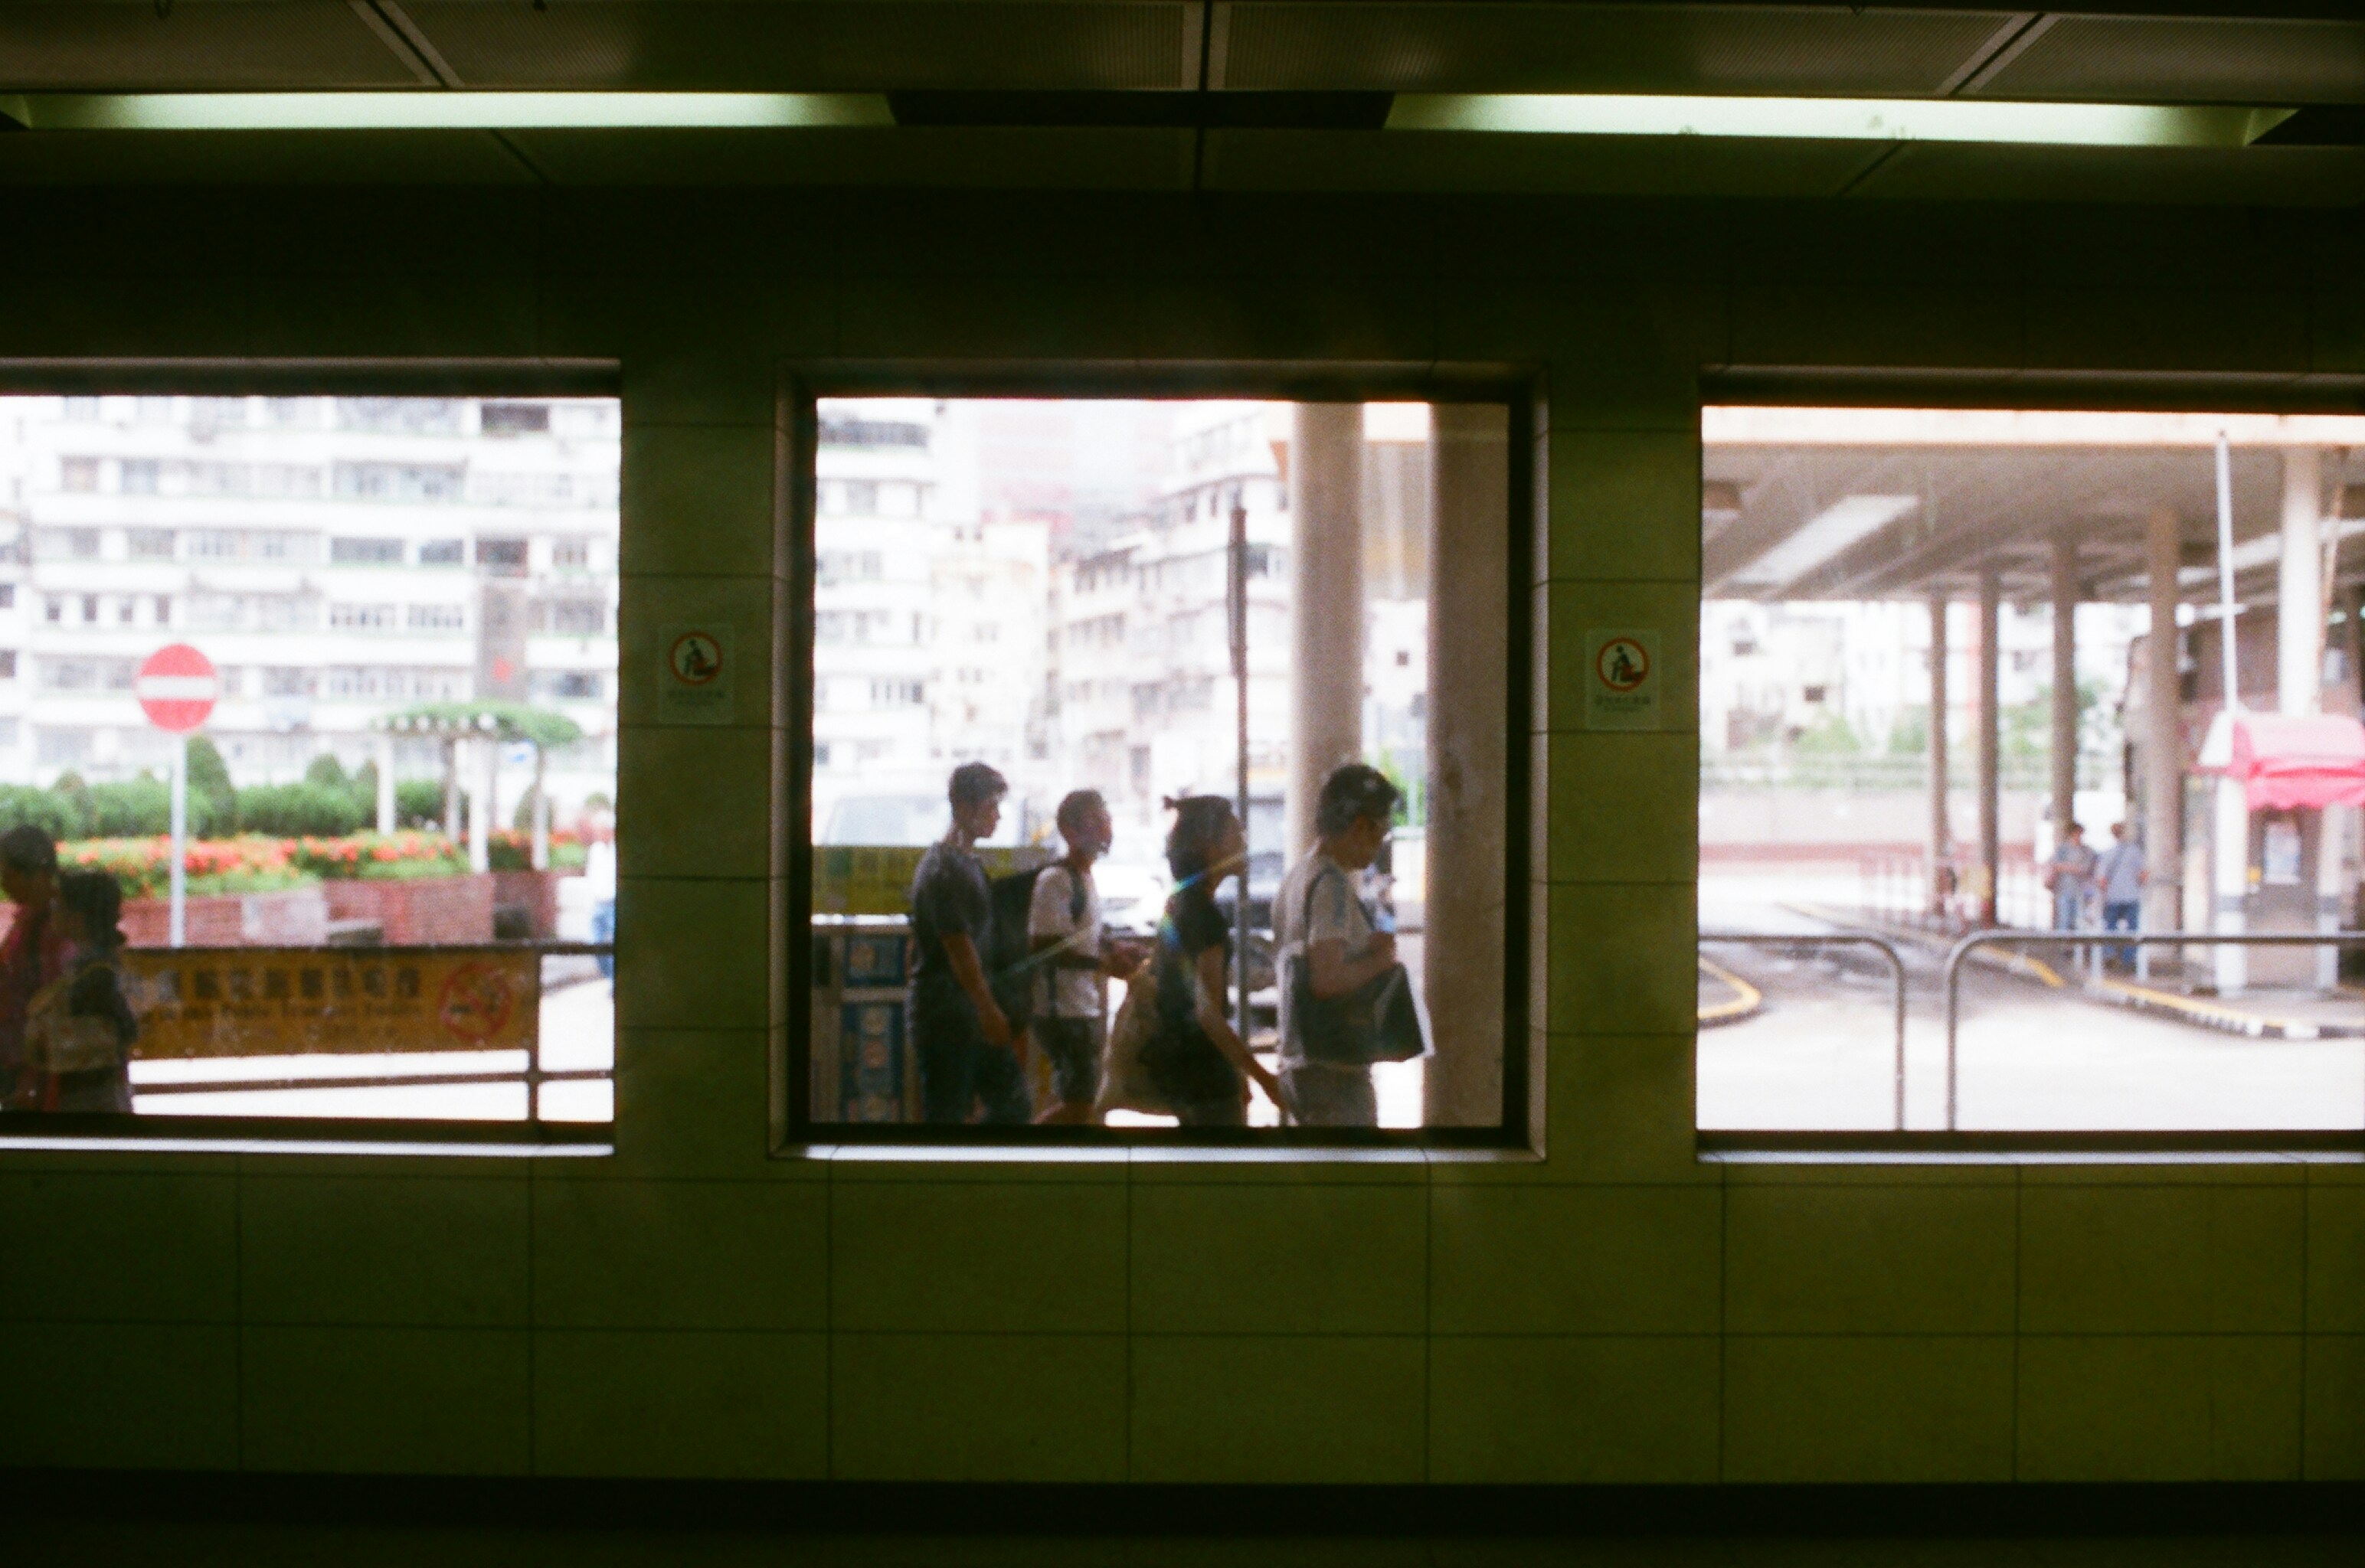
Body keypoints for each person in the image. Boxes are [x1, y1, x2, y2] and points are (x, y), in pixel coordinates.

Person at [1274, 763, 1404, 1128]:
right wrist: (1380, 959)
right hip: (1333, 1074)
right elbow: (1327, 980)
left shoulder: (1297, 877)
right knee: (1354, 1181)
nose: (1380, 845)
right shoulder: (1330, 884)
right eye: (1381, 833)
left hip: (1297, 1064)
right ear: (1361, 826)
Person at [1143, 795, 1284, 1126]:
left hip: (1179, 1068)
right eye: (1237, 835)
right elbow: (1209, 1013)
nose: (1246, 844)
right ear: (1210, 847)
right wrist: (1262, 1077)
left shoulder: (1177, 903)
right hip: (1205, 1075)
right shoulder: (1206, 918)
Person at [908, 761, 1029, 1125]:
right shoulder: (944, 869)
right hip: (949, 1019)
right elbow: (958, 947)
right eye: (991, 807)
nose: (997, 816)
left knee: (1011, 1107)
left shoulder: (966, 864)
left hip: (963, 1015)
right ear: (963, 807)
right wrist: (989, 1010)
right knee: (948, 1116)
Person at [1028, 789, 1141, 1125]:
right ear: (1069, 831)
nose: (1104, 829)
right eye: (1094, 821)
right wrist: (1105, 964)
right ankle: (1022, 1156)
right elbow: (1047, 947)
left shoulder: (1083, 878)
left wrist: (1113, 948)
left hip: (1081, 1007)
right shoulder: (1056, 880)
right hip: (1062, 1010)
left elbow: (1081, 937)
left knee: (1082, 1103)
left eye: (1105, 820)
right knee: (1081, 1106)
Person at [13, 871, 137, 1114]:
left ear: (77, 919)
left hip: (90, 1098)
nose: (52, 911)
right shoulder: (90, 965)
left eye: (58, 904)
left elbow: (126, 1028)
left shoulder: (96, 975)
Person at [0, 824, 72, 1107]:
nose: (4, 882)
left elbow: (50, 1005)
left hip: (32, 1066)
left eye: (8, 873)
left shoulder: (52, 927)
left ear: (33, 874)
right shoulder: (28, 920)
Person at [2095, 819, 2146, 968]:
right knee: (2132, 929)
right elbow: (2143, 875)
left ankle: (2110, 953)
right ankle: (2128, 958)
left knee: (2110, 927)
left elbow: (2102, 880)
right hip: (2132, 896)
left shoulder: (2107, 854)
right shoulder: (2135, 852)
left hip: (2113, 896)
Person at [2044, 818, 2097, 933]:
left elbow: (2085, 869)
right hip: (2064, 888)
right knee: (2064, 919)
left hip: (2081, 890)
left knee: (2079, 920)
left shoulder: (2086, 850)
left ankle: (2077, 947)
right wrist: (2073, 868)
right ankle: (2065, 947)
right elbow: (2054, 864)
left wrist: (2065, 867)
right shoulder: (2062, 850)